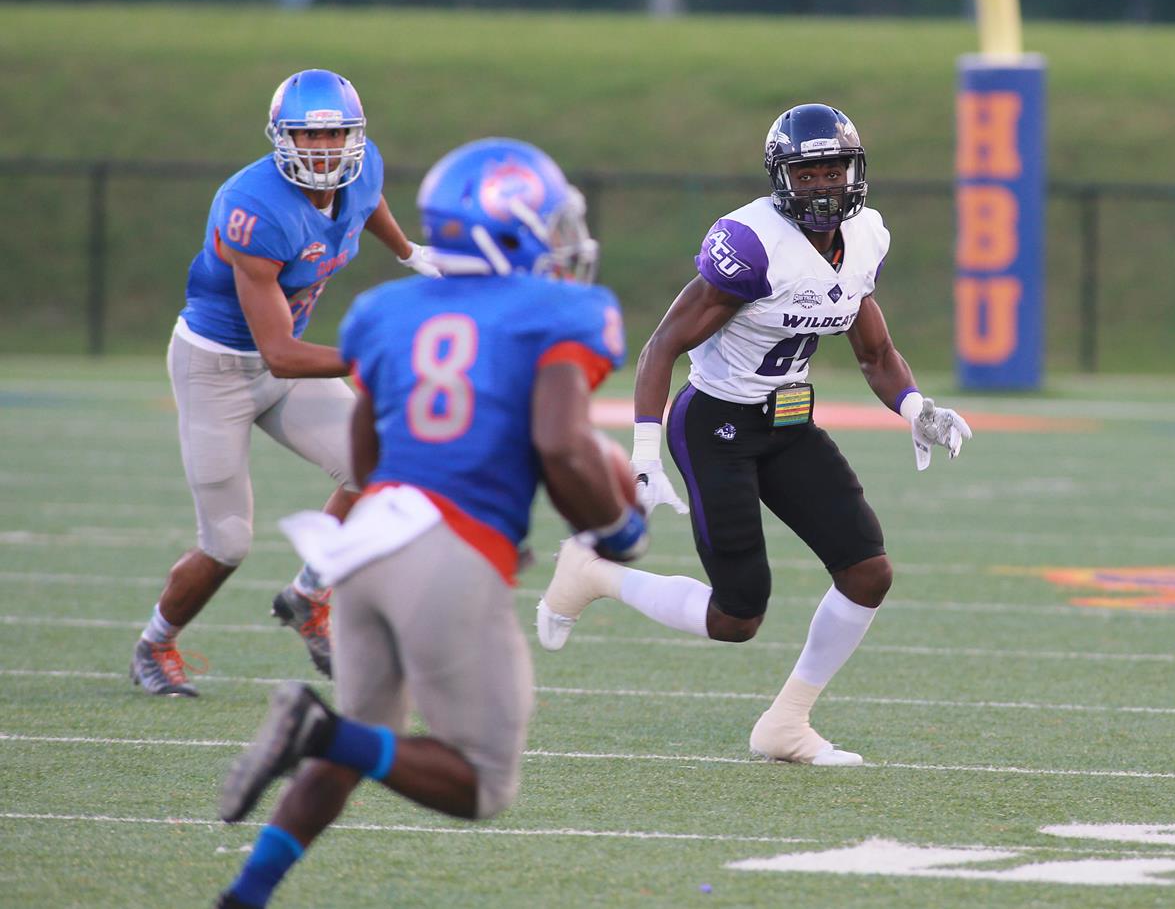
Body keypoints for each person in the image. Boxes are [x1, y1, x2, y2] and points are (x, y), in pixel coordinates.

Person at [212, 138, 643, 909]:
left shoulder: (386, 310)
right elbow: (561, 443)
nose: (563, 240)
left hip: (366, 545)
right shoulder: (564, 311)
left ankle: (244, 895)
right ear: (508, 228)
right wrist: (616, 529)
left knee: (358, 743)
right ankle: (315, 730)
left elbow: (366, 454)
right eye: (549, 223)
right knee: (481, 781)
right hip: (445, 552)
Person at [537, 103, 971, 766]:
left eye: (835, 170)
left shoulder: (865, 237)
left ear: (855, 171)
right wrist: (646, 454)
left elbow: (874, 350)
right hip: (715, 424)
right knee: (736, 617)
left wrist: (916, 407)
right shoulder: (752, 243)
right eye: (808, 173)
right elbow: (661, 347)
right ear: (781, 178)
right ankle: (591, 574)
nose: (824, 186)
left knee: (867, 572)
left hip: (788, 423)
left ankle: (786, 724)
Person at [130, 68, 442, 697]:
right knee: (227, 543)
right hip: (219, 369)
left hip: (288, 364)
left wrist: (409, 252)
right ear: (281, 138)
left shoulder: (363, 169)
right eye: (308, 136)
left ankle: (308, 595)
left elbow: (366, 201)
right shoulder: (254, 208)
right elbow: (281, 355)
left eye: (335, 136)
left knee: (381, 467)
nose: (324, 150)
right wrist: (379, 356)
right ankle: (155, 643)